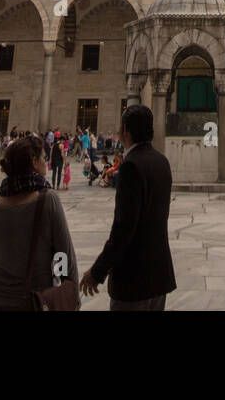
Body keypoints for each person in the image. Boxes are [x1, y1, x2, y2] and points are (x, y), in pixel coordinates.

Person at [0, 135, 78, 310]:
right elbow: (63, 258)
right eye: (43, 158)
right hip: (31, 303)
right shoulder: (48, 201)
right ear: (34, 162)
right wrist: (68, 296)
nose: (45, 162)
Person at [80, 106, 176, 310]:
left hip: (134, 279)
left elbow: (124, 229)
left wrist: (97, 271)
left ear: (125, 130)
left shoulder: (131, 166)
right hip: (159, 274)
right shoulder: (162, 161)